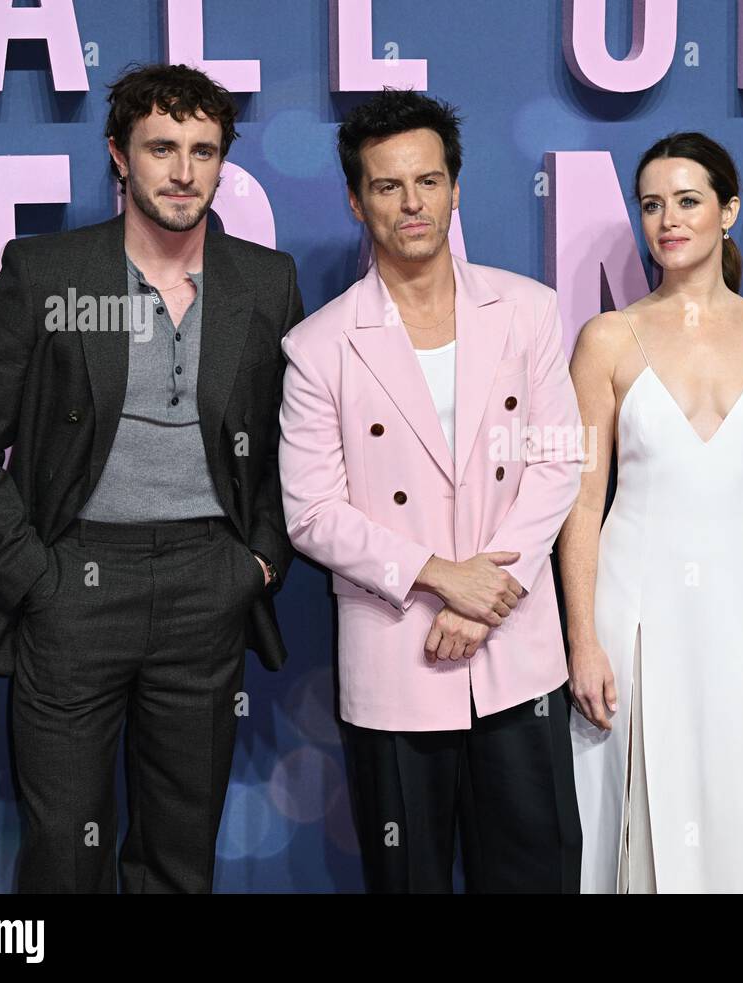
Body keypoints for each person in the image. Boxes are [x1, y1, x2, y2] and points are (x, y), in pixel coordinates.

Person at [0, 63, 303, 892]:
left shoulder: (265, 281)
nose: (183, 170)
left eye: (203, 150)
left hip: (209, 582)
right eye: (162, 147)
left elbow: (295, 443)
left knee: (180, 853)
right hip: (74, 585)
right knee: (64, 852)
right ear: (119, 156)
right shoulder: (46, 273)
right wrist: (35, 576)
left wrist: (257, 562)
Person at [278, 88, 585, 893]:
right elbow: (310, 510)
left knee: (538, 873)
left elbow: (558, 460)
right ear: (356, 200)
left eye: (429, 181)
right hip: (397, 653)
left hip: (517, 652)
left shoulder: (527, 309)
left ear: (455, 187)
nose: (412, 204)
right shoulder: (319, 346)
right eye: (387, 186)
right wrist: (442, 576)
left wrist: (492, 590)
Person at [562, 132, 743, 893]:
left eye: (687, 200)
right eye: (651, 204)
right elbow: (583, 499)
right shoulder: (606, 338)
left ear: (729, 210)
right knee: (639, 803)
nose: (667, 220)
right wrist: (582, 638)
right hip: (637, 608)